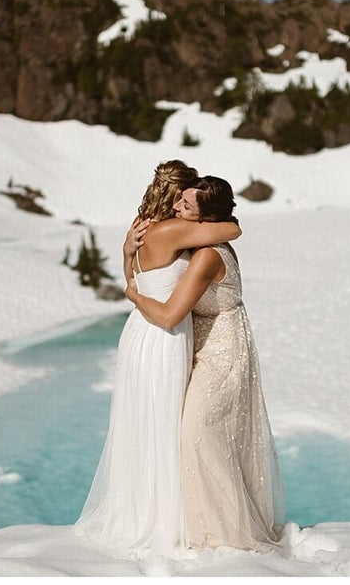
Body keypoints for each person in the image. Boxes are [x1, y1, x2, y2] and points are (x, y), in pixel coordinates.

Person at [75, 161, 242, 557]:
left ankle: (141, 512)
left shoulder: (143, 224)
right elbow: (233, 228)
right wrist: (133, 292)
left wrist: (127, 266)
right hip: (164, 334)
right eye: (184, 197)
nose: (185, 205)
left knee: (143, 424)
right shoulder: (175, 229)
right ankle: (165, 520)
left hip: (140, 330)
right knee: (164, 426)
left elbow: (134, 271)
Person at [125, 176, 284, 552]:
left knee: (198, 434)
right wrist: (128, 252)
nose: (177, 207)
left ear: (205, 218)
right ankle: (209, 525)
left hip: (222, 351)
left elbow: (167, 315)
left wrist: (132, 294)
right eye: (179, 199)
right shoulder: (203, 243)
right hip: (209, 343)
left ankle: (225, 535)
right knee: (207, 437)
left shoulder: (208, 256)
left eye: (186, 205)